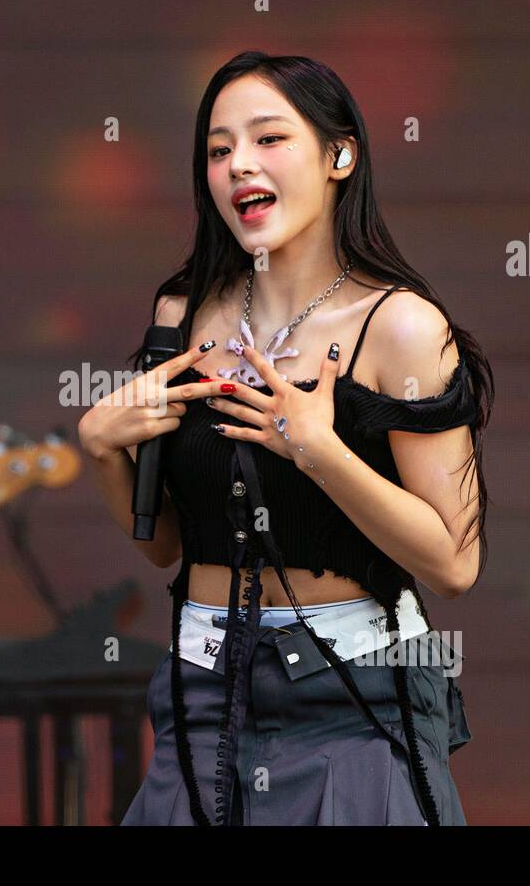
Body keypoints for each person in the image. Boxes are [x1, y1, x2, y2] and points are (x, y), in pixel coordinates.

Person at [78, 52, 494, 826]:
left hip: (354, 694)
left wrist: (320, 450)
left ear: (341, 156)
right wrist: (103, 451)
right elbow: (166, 545)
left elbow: (454, 563)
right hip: (200, 689)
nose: (240, 165)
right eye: (218, 148)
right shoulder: (183, 315)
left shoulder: (399, 326)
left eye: (269, 139)